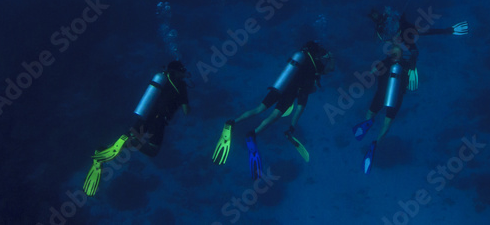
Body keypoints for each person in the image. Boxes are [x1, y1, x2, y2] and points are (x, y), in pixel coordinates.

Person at [212, 40, 334, 179]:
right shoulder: (314, 70)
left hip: (278, 87)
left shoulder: (300, 61)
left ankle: (232, 122)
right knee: (273, 116)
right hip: (289, 94)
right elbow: (300, 107)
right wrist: (292, 127)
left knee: (259, 109)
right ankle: (253, 134)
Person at [83, 60, 191, 195]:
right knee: (152, 150)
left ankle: (101, 152)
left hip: (144, 116)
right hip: (158, 121)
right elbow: (186, 111)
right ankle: (132, 141)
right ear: (177, 71)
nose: (184, 73)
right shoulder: (180, 85)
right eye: (182, 71)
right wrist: (185, 101)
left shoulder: (161, 78)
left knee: (131, 137)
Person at [369, 7, 468, 90]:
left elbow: (386, 37)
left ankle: (449, 30)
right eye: (374, 15)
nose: (376, 16)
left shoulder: (386, 19)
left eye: (375, 14)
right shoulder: (382, 24)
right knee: (411, 49)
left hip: (404, 32)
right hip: (404, 35)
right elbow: (386, 38)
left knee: (415, 44)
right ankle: (449, 30)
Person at [352, 46, 410, 174]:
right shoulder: (406, 65)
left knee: (370, 113)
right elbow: (412, 84)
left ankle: (368, 123)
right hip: (396, 98)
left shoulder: (384, 62)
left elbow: (372, 72)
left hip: (381, 94)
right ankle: (376, 143)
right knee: (387, 123)